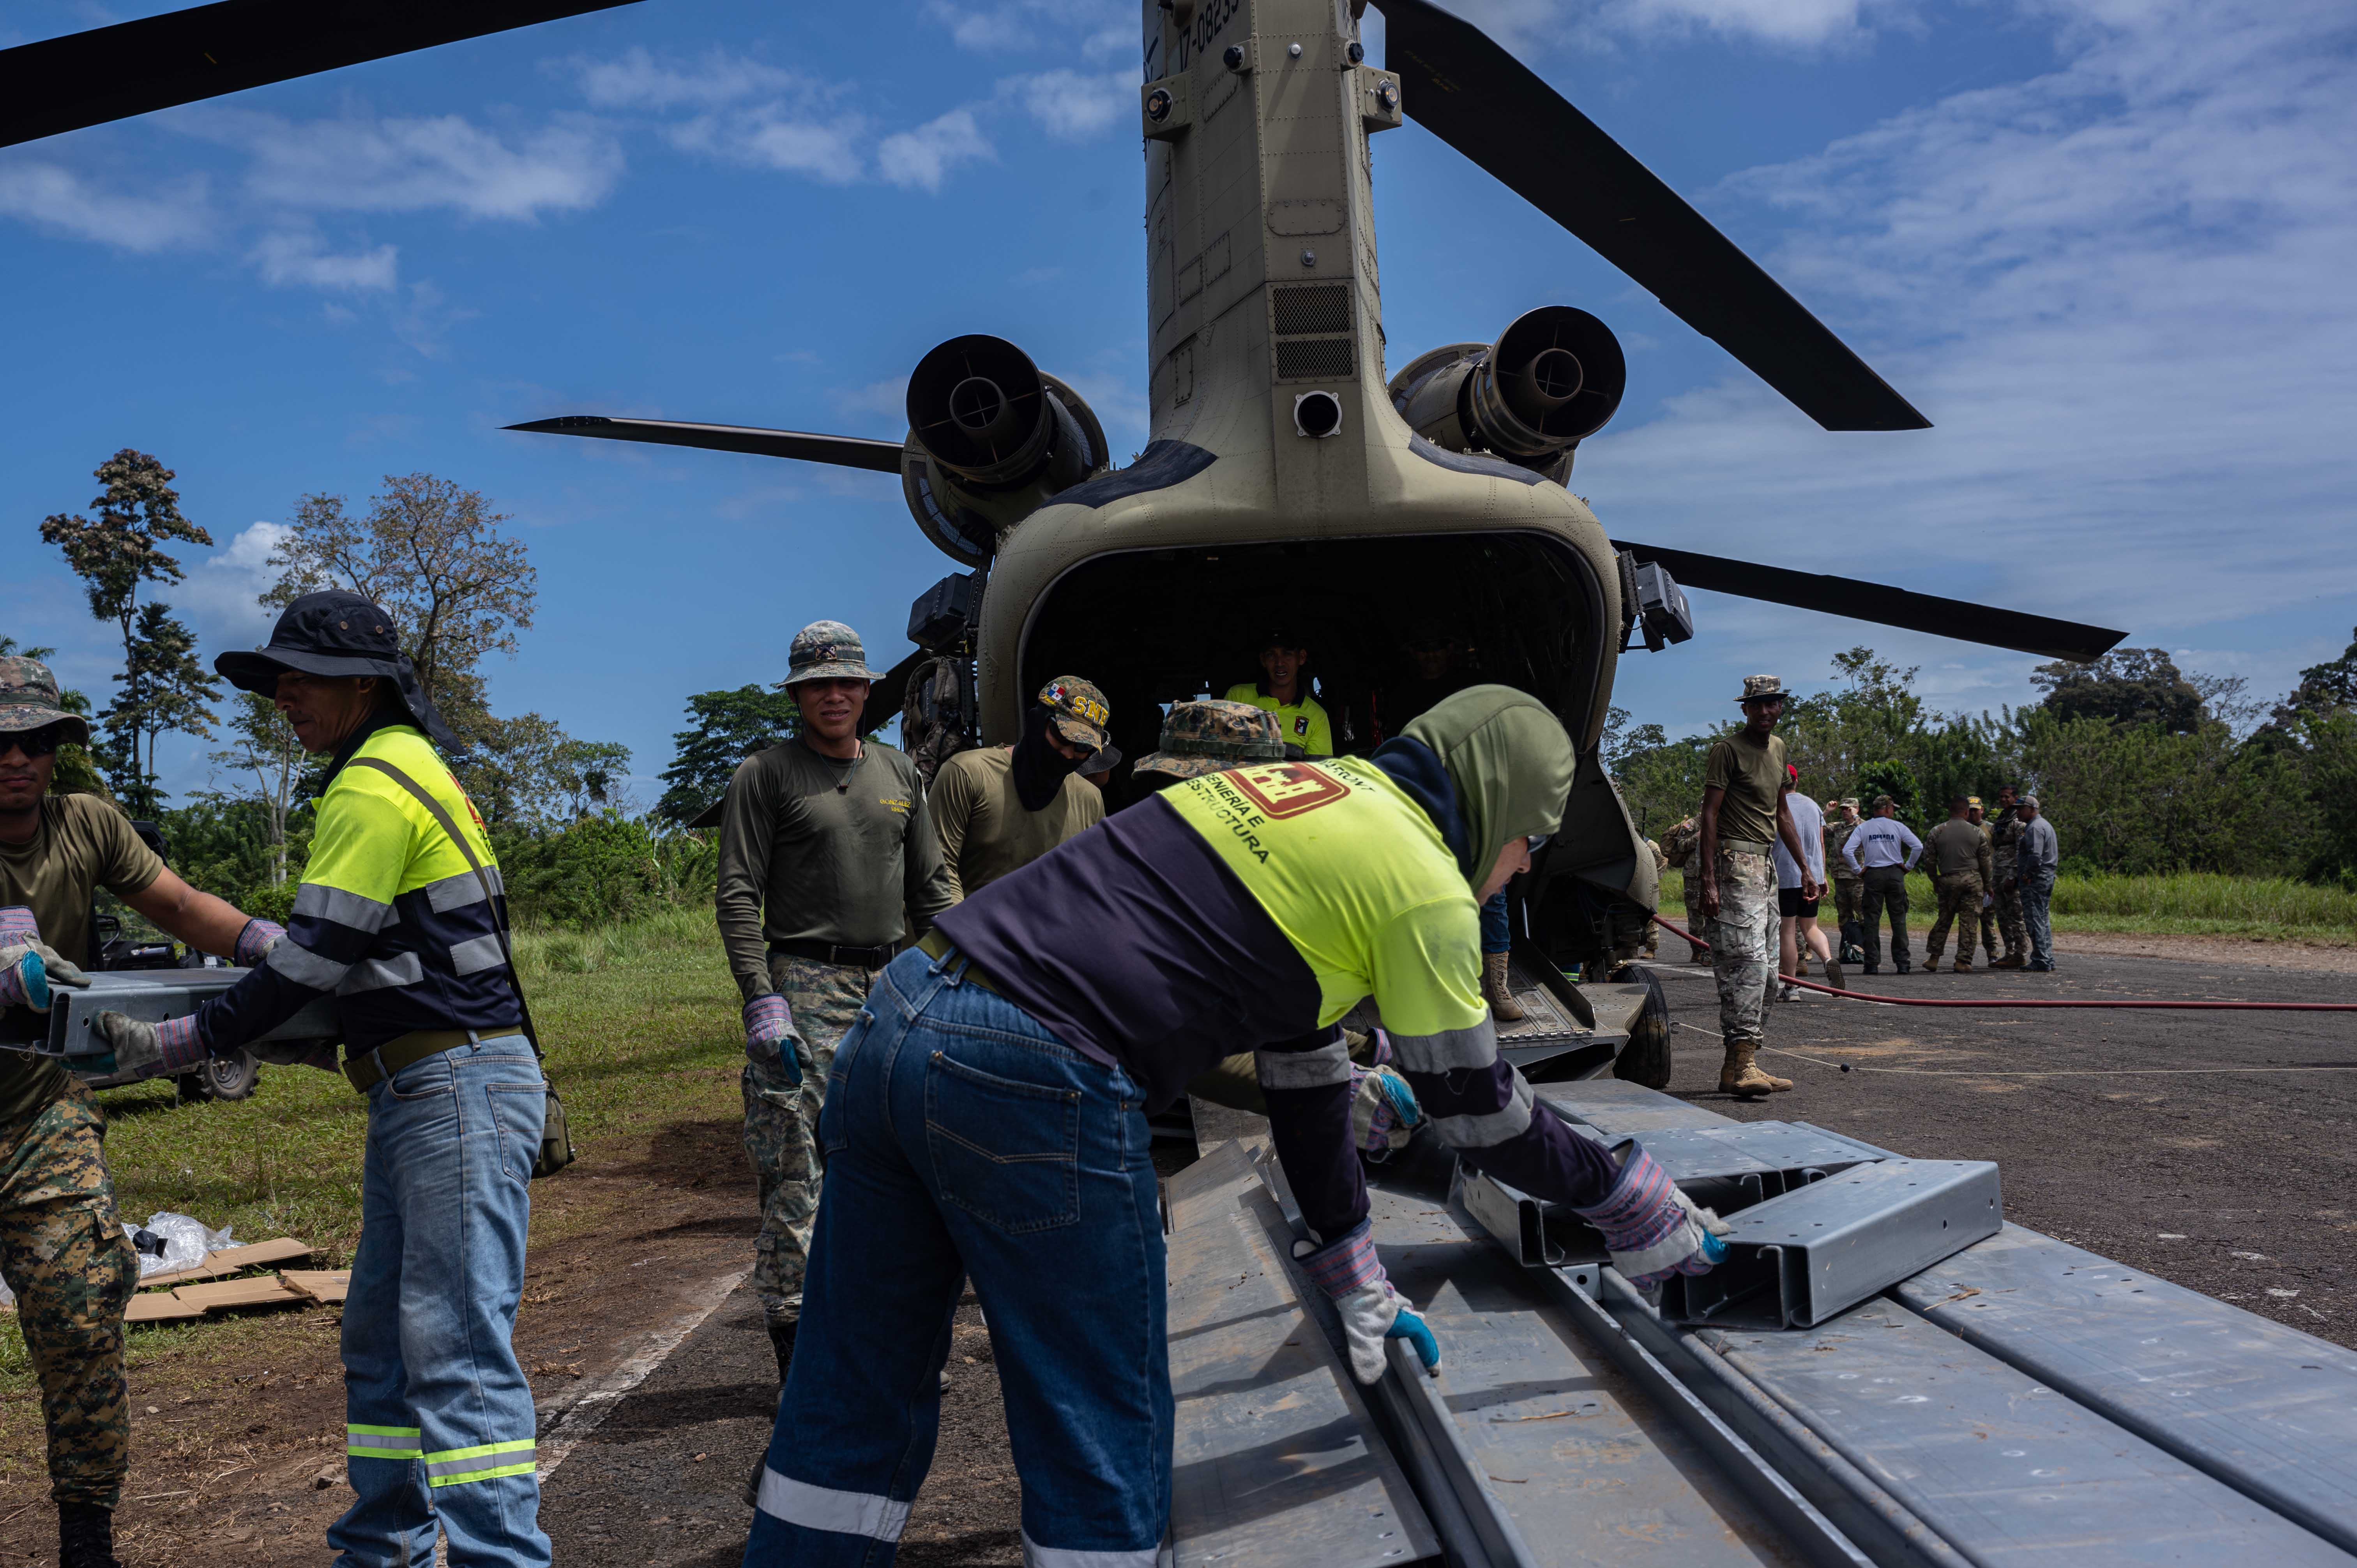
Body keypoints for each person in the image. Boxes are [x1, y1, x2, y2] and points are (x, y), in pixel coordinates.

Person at [742, 689, 1731, 1565]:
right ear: (1501, 807)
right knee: (1100, 1424)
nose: (1516, 871)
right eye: (1529, 844)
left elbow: (1303, 1075)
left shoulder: (1307, 792)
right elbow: (1483, 1113)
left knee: (853, 1392)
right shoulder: (1426, 880)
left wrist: (1351, 1265)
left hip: (894, 1022)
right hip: (1032, 1070)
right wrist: (1630, 1198)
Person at [88, 593, 552, 1568]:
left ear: (367, 685)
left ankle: (499, 1556)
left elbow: (311, 963)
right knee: (381, 1340)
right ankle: (383, 1544)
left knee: (457, 1351)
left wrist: (179, 1042)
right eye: (279, 678)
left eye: (305, 676)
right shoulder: (406, 771)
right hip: (426, 1085)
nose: (286, 694)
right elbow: (363, 957)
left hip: (451, 1087)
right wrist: (276, 961)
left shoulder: (372, 785)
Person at [0, 658, 293, 1568]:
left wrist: (268, 944)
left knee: (82, 1311)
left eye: (36, 741)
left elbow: (174, 903)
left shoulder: (85, 823)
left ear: (57, 751)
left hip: (41, 1112)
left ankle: (87, 1533)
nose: (16, 759)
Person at [716, 622, 957, 1389]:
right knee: (798, 1161)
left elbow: (932, 891)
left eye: (847, 682)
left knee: (904, 1162)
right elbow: (737, 893)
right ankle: (805, 1364)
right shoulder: (766, 775)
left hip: (890, 983)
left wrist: (970, 972)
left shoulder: (898, 773)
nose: (834, 694)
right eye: (819, 684)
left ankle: (896, 1346)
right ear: (798, 694)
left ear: (866, 692)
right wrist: (762, 998)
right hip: (803, 981)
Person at [1694, 676, 1820, 1098]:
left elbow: (1782, 812)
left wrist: (1804, 867)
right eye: (1758, 705)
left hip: (1765, 865)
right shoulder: (1727, 751)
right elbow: (1709, 815)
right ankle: (1744, 1060)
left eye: (1773, 704)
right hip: (1732, 864)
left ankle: (1739, 1064)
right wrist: (1708, 879)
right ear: (1745, 709)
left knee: (1768, 972)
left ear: (1780, 706)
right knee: (1745, 966)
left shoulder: (1780, 749)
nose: (1766, 711)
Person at [929, 676, 1111, 901]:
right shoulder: (968, 774)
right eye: (1062, 736)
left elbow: (1093, 882)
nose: (1068, 754)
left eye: (1083, 747)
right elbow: (939, 869)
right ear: (1037, 722)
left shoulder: (1090, 800)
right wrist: (961, 933)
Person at [1774, 767, 1842, 999]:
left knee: (1788, 930)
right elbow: (1821, 844)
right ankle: (1828, 959)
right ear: (1797, 781)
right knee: (1811, 927)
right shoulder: (1813, 806)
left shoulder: (1774, 805)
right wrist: (1821, 878)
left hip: (1786, 876)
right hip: (1812, 876)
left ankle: (1792, 988)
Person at [1841, 795, 1922, 975]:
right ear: (1887, 808)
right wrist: (1908, 867)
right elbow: (1918, 847)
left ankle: (1871, 964)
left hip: (1873, 875)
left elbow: (1847, 851)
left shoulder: (1864, 827)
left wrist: (1858, 870)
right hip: (1895, 874)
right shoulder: (1898, 826)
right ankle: (1903, 963)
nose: (1893, 811)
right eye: (1892, 808)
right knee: (1899, 920)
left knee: (1871, 921)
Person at [1224, 628, 1332, 757]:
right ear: (1263, 660)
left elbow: (1318, 773)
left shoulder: (1317, 716)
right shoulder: (1238, 697)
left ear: (1302, 657)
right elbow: (1218, 754)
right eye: (1271, 655)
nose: (1279, 662)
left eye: (1287, 653)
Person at [1922, 795, 1995, 974]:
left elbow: (1929, 860)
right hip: (1972, 881)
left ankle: (1934, 958)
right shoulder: (1977, 833)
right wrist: (1988, 885)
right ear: (1965, 812)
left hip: (1947, 880)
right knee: (1969, 923)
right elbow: (1985, 862)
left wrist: (1935, 879)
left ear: (1950, 811)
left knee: (1944, 919)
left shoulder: (1937, 831)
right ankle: (1962, 961)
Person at [1983, 785, 2028, 968]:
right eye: (2001, 797)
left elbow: (2022, 851)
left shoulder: (2019, 823)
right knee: (2002, 916)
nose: (2003, 800)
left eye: (2007, 797)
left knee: (2016, 916)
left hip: (2011, 877)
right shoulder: (2001, 821)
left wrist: (2013, 875)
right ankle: (2009, 953)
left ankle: (2021, 953)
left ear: (2015, 798)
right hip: (1998, 876)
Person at [2017, 794, 2060, 970]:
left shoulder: (2034, 828)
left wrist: (2027, 875)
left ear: (2032, 809)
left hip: (2037, 878)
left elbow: (2036, 856)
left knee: (2034, 919)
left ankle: (2041, 960)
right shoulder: (2045, 825)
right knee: (2042, 919)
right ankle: (2046, 958)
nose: (2018, 813)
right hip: (2046, 876)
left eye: (2021, 809)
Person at [1657, 815, 1709, 963]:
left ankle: (1709, 953)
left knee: (1712, 917)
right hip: (1693, 876)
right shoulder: (1691, 825)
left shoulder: (1720, 822)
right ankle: (1697, 951)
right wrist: (1698, 837)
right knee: (1695, 918)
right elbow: (1680, 846)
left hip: (1713, 874)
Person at [1825, 796, 1865, 960]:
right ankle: (1849, 948)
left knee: (1863, 913)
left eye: (1848, 809)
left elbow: (1868, 829)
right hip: (1840, 877)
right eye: (1843, 809)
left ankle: (1864, 949)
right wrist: (1827, 811)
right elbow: (1816, 827)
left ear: (1856, 809)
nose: (1844, 812)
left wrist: (1856, 818)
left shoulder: (1863, 825)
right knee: (1844, 916)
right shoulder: (1838, 827)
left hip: (1857, 878)